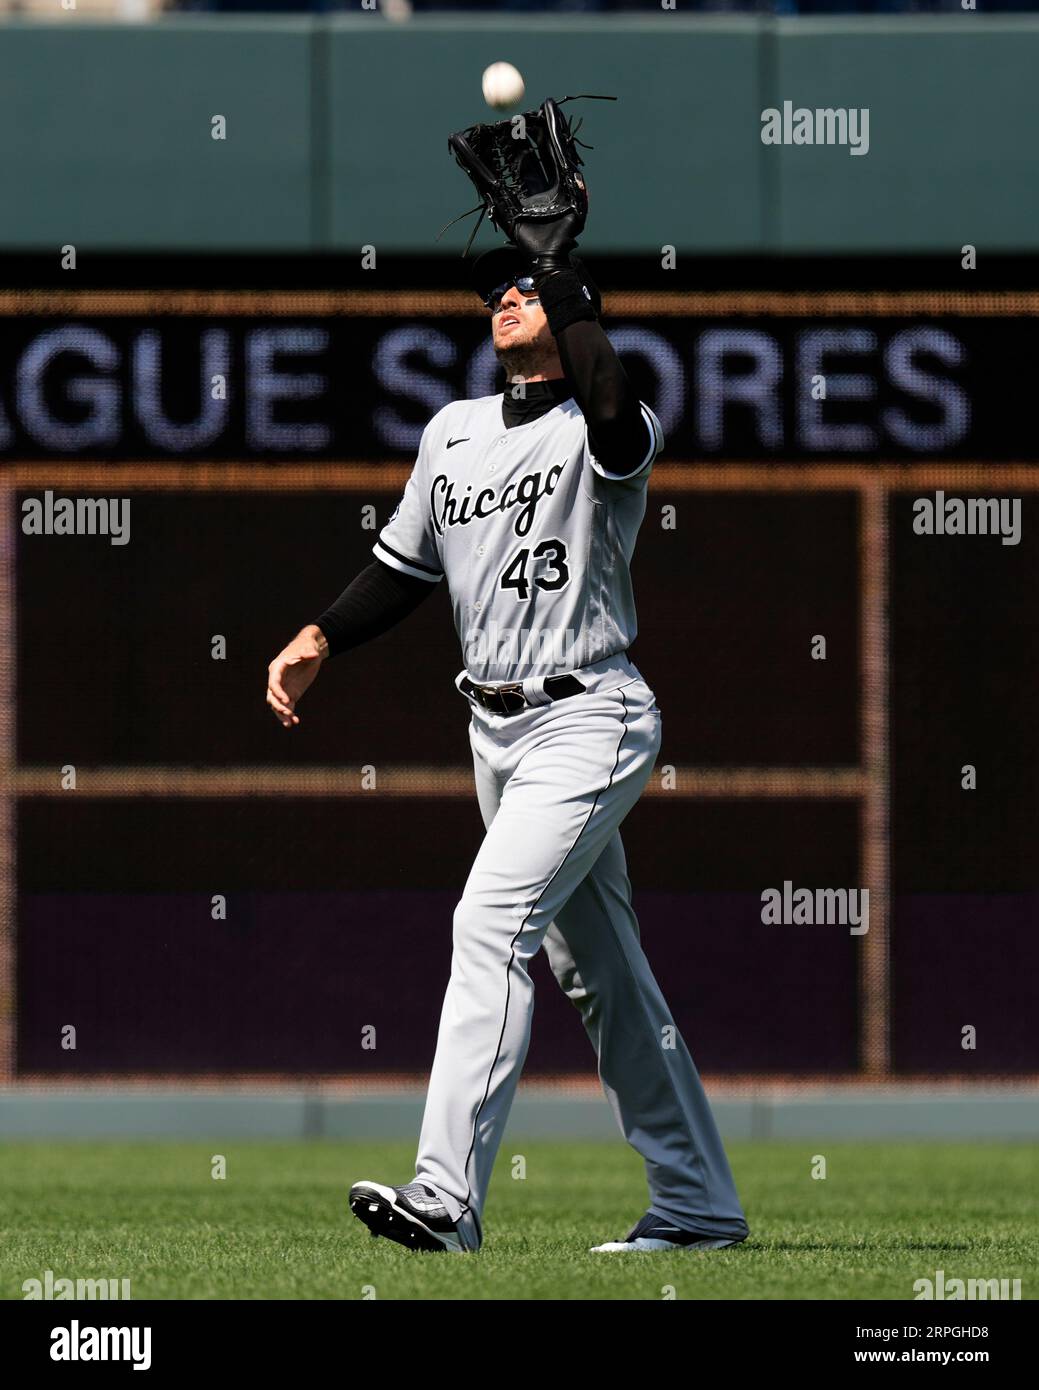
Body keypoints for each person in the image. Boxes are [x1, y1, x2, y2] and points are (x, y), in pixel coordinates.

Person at [265, 238, 749, 1256]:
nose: (504, 302)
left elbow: (612, 404)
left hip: (590, 710)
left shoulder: (606, 422)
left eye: (524, 292)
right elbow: (404, 566)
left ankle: (444, 1196)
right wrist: (320, 634)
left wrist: (568, 289)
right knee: (605, 976)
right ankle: (698, 1203)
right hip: (495, 727)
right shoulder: (453, 432)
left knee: (488, 923)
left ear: (571, 316)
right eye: (495, 293)